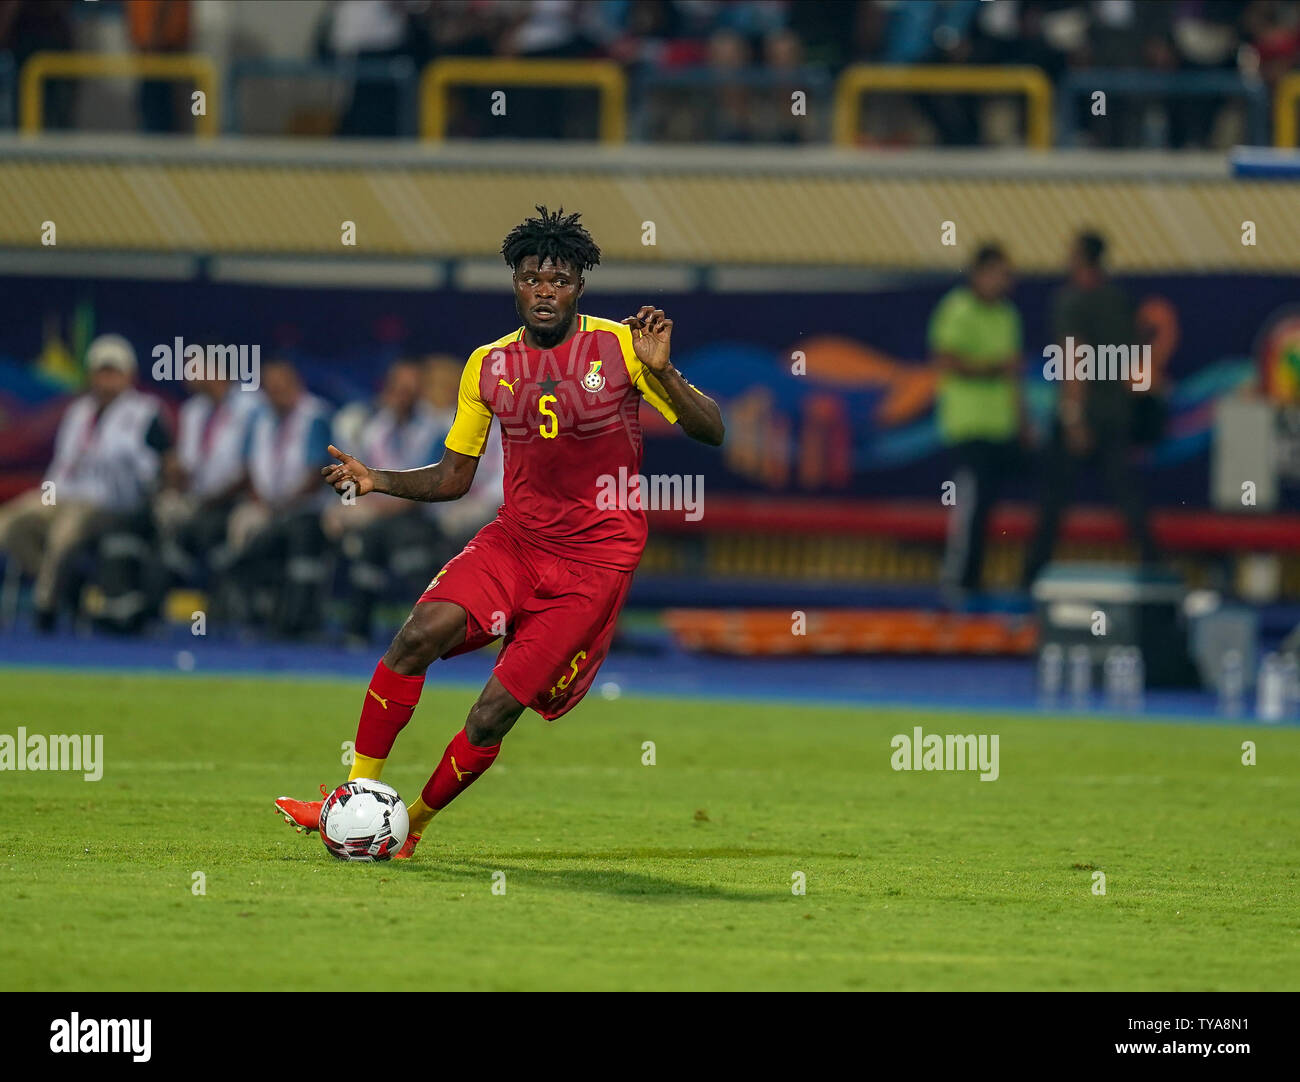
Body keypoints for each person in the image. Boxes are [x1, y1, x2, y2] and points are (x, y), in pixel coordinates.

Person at [275, 206, 725, 860]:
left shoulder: (624, 349)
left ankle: (412, 828)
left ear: (580, 287)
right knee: (415, 637)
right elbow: (456, 477)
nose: (546, 290)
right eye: (532, 278)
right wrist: (378, 480)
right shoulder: (487, 365)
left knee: (492, 714)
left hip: (591, 568)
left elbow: (712, 429)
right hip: (515, 543)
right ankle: (351, 799)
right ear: (515, 283)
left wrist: (662, 373)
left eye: (561, 280)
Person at [0, 334, 170, 631]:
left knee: (64, 533)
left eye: (113, 371)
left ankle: (46, 607)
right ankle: (64, 589)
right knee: (12, 522)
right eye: (101, 371)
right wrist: (46, 500)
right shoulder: (79, 412)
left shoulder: (145, 412)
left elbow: (151, 472)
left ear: (129, 375)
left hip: (110, 504)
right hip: (64, 497)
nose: (106, 380)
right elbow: (60, 467)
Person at [1021, 232, 1159, 589]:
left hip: (1085, 415)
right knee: (1128, 497)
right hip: (1117, 414)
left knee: (1053, 501)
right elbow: (1136, 368)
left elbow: (1074, 360)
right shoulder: (1120, 301)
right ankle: (1157, 569)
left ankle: (1031, 581)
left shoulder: (1072, 302)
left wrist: (1074, 417)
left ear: (1080, 258)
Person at [929, 243, 1025, 600]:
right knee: (969, 510)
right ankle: (957, 584)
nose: (1004, 282)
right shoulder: (957, 310)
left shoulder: (1007, 315)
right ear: (979, 273)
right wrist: (991, 367)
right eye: (999, 274)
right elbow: (945, 360)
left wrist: (1023, 422)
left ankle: (982, 582)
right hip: (967, 427)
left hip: (1001, 427)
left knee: (988, 510)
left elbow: (1014, 375)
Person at [217, 361, 333, 637]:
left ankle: (295, 616)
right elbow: (248, 468)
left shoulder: (315, 416)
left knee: (295, 529)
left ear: (296, 385)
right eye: (271, 388)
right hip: (264, 505)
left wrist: (283, 507)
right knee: (241, 527)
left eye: (282, 386)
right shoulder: (258, 418)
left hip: (306, 507)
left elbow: (318, 473)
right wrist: (262, 502)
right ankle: (244, 610)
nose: (276, 393)